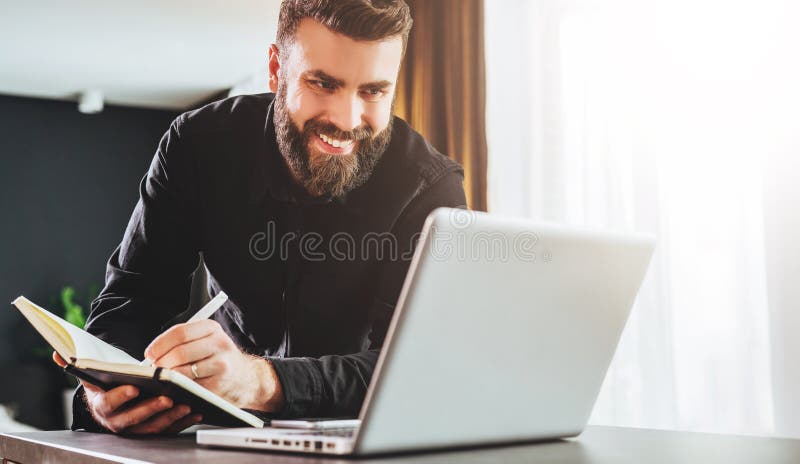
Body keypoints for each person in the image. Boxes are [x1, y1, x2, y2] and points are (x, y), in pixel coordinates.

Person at [56, 0, 466, 434]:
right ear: (276, 69)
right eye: (323, 83)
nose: (347, 120)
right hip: (215, 428)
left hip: (361, 436)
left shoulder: (430, 189)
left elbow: (420, 367)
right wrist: (101, 393)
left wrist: (262, 381)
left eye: (373, 91)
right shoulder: (197, 145)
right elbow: (132, 298)